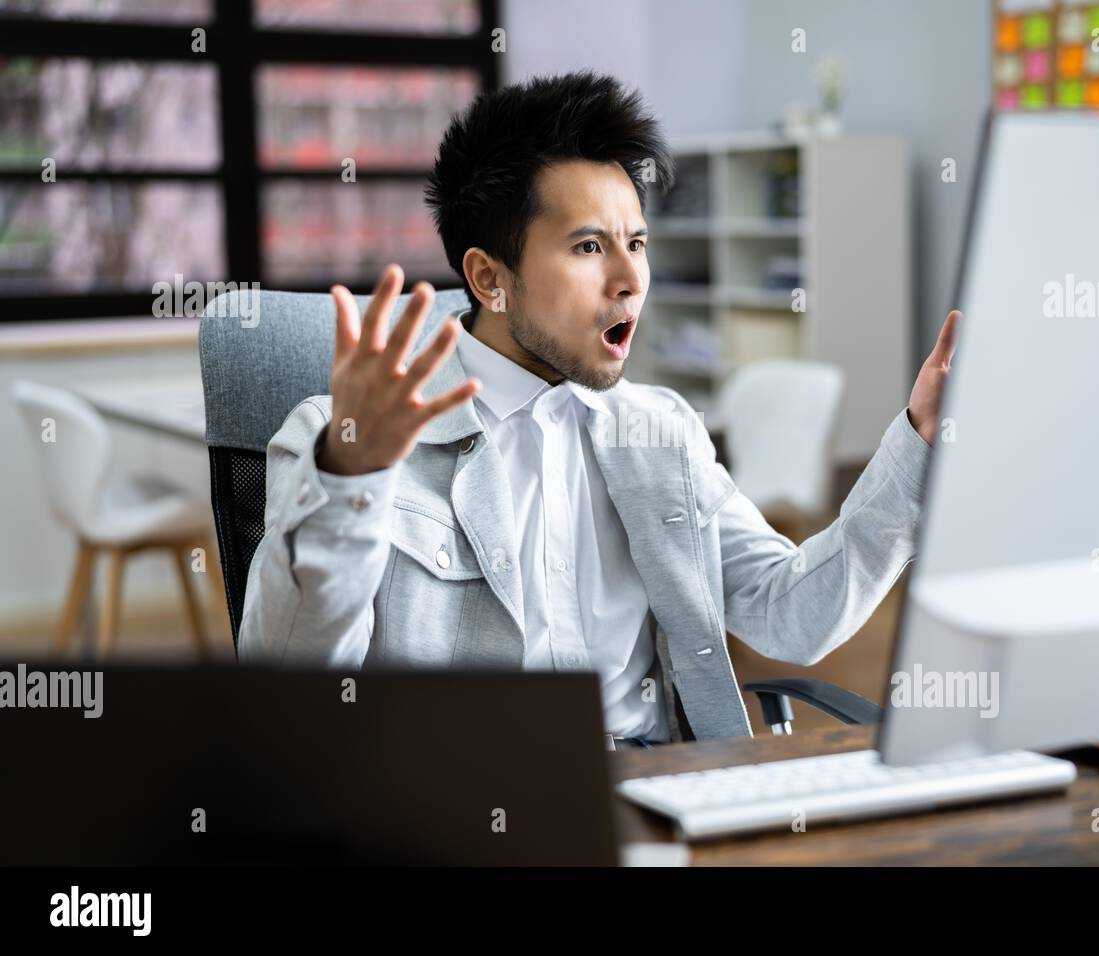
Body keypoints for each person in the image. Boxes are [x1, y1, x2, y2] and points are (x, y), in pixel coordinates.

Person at [239, 70, 960, 749]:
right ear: (489, 279)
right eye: (588, 246)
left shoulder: (661, 431)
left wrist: (917, 443)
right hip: (466, 799)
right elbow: (292, 689)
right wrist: (353, 475)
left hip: (656, 786)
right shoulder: (339, 440)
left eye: (636, 243)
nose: (629, 280)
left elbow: (790, 614)